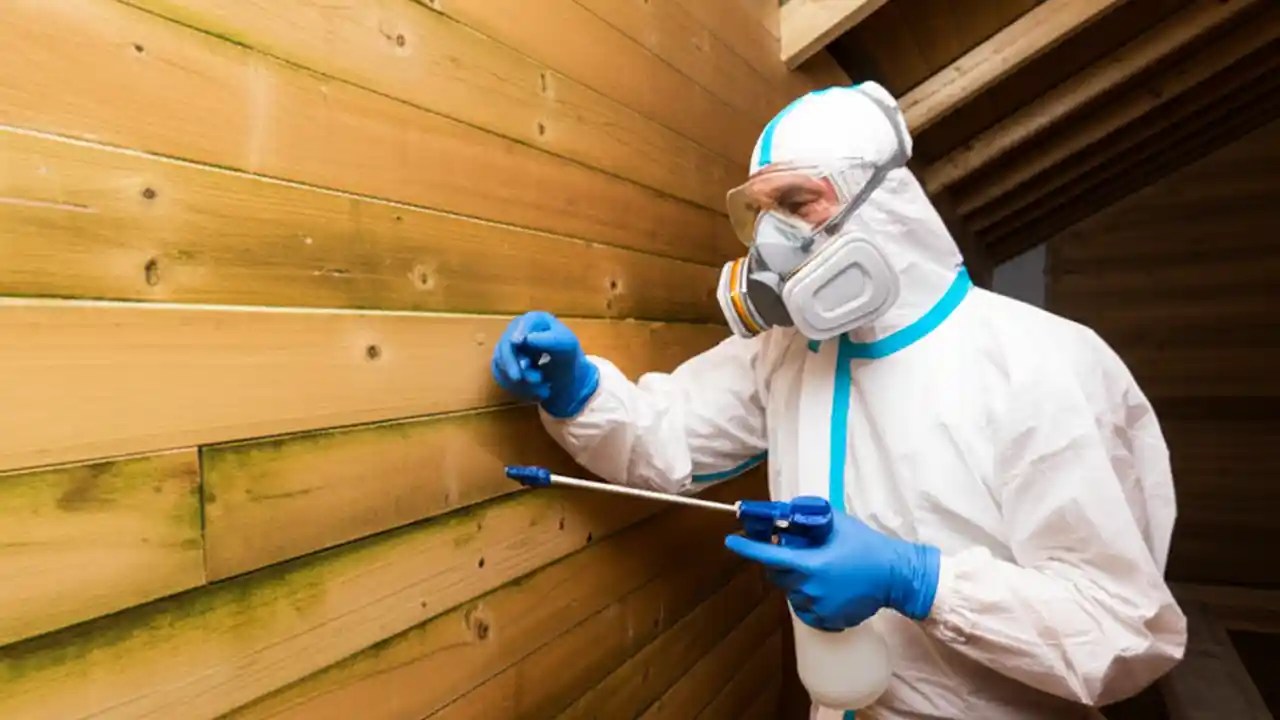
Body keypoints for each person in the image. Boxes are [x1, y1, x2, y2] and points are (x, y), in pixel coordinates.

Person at [490, 81, 1186, 718]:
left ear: (882, 203)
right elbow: (666, 440)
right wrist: (578, 390)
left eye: (797, 204)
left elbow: (1123, 628)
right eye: (760, 215)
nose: (774, 243)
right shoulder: (791, 351)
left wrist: (919, 582)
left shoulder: (1043, 362)